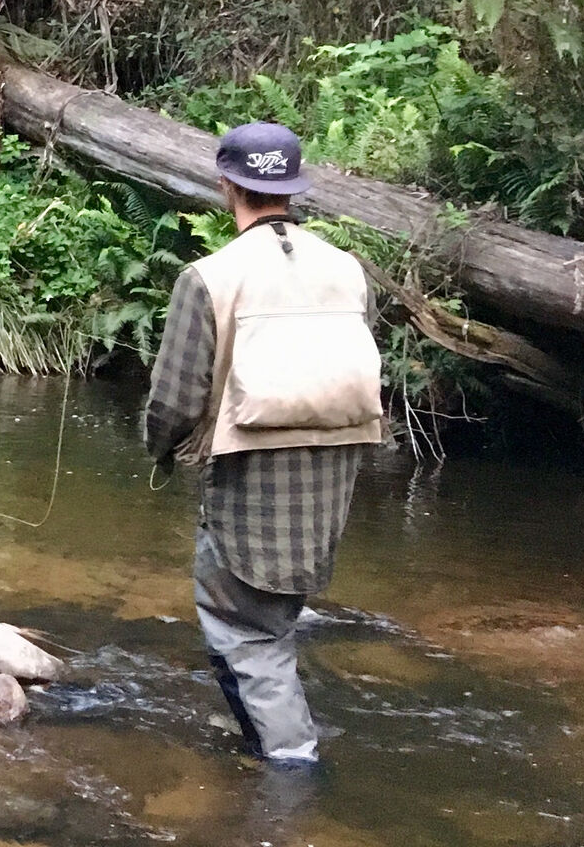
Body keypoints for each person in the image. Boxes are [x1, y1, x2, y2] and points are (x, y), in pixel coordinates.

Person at [144, 121, 386, 766]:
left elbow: (173, 401)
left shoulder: (208, 277)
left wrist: (159, 450)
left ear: (228, 185)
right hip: (338, 469)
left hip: (250, 469)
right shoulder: (348, 269)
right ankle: (267, 739)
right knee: (272, 612)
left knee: (244, 628)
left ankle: (289, 766)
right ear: (292, 188)